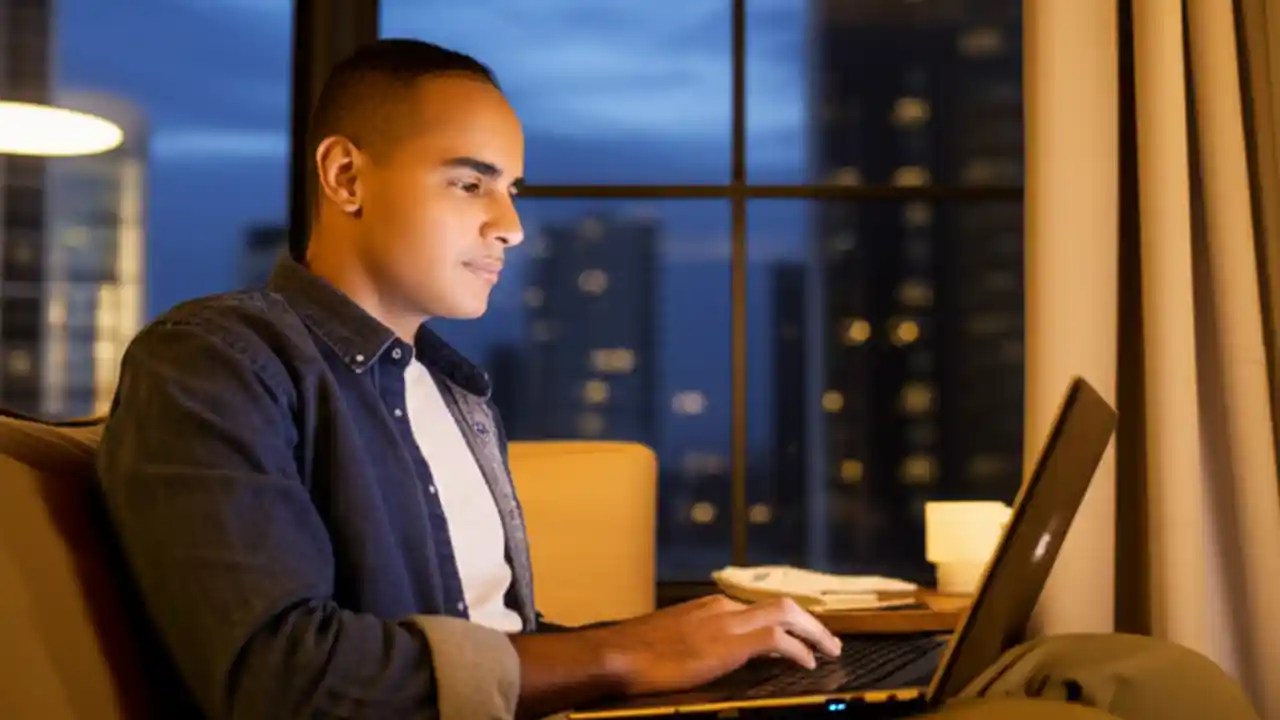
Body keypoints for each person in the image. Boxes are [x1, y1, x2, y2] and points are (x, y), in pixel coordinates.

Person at [95, 39, 1259, 720]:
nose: (510, 224)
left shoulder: (448, 388)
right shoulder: (221, 361)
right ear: (345, 174)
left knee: (1073, 665)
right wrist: (621, 652)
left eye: (514, 188)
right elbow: (272, 674)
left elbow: (494, 646)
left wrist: (683, 640)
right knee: (1123, 694)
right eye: (469, 182)